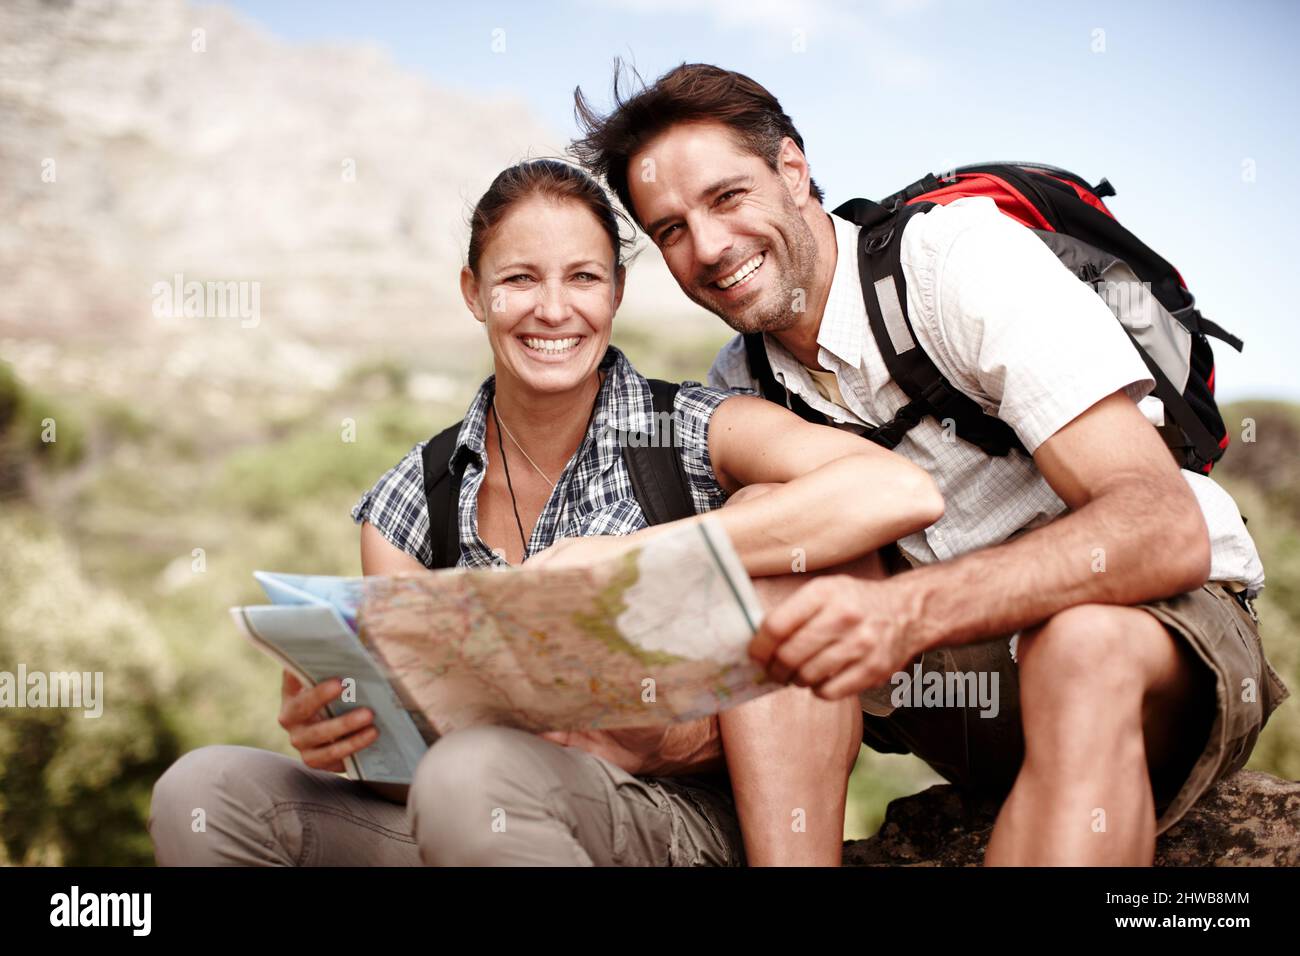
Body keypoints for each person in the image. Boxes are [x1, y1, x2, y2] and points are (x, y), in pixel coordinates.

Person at [570, 63, 1289, 865]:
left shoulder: (955, 260)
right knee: (767, 543)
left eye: (727, 197)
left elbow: (1161, 528)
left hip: (1154, 646)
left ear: (793, 170)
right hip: (960, 698)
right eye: (670, 229)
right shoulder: (739, 387)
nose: (708, 247)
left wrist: (903, 613)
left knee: (1081, 644)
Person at [148, 158, 943, 867]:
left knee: (474, 778)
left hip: (679, 825)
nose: (553, 310)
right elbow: (413, 785)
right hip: (477, 820)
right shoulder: (406, 504)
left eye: (584, 278)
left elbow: (895, 491)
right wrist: (352, 742)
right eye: (520, 279)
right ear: (475, 294)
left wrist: (634, 576)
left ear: (617, 293)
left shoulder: (697, 431)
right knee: (207, 791)